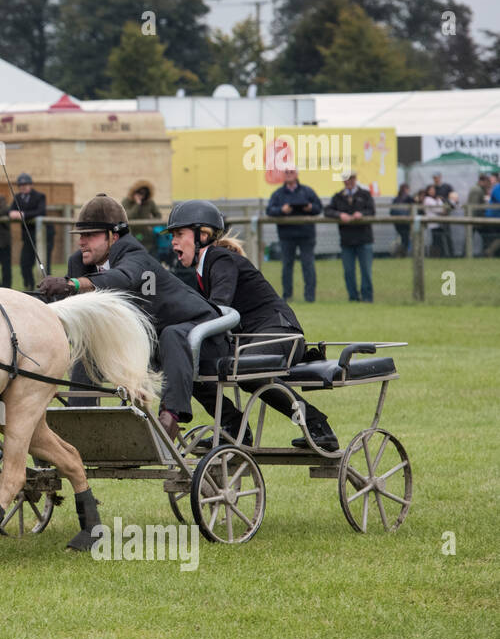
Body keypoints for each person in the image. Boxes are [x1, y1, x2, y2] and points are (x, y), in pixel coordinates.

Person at [39, 194, 228, 444]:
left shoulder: (136, 257)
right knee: (89, 347)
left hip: (201, 335)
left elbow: (122, 279)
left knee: (171, 334)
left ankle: (169, 418)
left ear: (113, 237)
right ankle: (80, 426)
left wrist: (72, 284)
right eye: (80, 236)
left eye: (90, 235)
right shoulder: (80, 263)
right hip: (149, 345)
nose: (82, 242)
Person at [167, 200, 339, 451]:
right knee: (188, 368)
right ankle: (233, 426)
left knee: (247, 372)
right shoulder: (204, 268)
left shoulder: (219, 258)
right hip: (251, 340)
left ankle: (316, 424)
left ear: (202, 235)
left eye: (179, 234)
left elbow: (219, 308)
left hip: (281, 333)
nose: (173, 242)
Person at [265, 166, 322, 302]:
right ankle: (287, 295)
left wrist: (310, 208)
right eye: (287, 173)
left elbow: (319, 207)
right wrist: (281, 210)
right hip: (287, 236)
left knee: (308, 265)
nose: (289, 175)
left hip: (306, 235)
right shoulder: (278, 194)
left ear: (297, 174)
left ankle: (310, 297)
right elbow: (269, 210)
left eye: (291, 172)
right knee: (286, 266)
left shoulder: (307, 191)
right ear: (284, 176)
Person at [324, 171, 376, 303]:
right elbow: (327, 211)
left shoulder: (365, 195)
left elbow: (372, 210)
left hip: (364, 239)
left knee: (366, 271)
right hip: (346, 240)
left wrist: (362, 214)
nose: (348, 182)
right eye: (346, 179)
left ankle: (367, 297)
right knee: (348, 272)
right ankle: (353, 297)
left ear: (355, 179)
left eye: (351, 179)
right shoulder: (338, 197)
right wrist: (339, 215)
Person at [8, 172, 54, 289]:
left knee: (43, 264)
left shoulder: (40, 196)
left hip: (43, 235)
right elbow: (10, 210)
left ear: (31, 185)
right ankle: (29, 286)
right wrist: (11, 213)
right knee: (25, 264)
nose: (23, 186)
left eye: (26, 184)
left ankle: (47, 288)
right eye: (21, 185)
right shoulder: (17, 198)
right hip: (28, 236)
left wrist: (23, 214)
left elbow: (41, 211)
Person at [122, 185, 161, 255]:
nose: (142, 196)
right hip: (132, 234)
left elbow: (158, 216)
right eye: (140, 193)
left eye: (144, 193)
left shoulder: (149, 202)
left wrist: (151, 225)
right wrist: (137, 204)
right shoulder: (126, 202)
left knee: (148, 254)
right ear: (134, 192)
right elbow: (128, 216)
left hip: (147, 236)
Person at [421, 184, 453, 258]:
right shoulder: (428, 199)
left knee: (439, 241)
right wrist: (442, 208)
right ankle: (435, 256)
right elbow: (439, 209)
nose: (433, 191)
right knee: (436, 241)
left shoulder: (435, 199)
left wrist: (440, 204)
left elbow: (442, 208)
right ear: (428, 191)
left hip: (438, 223)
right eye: (431, 190)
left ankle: (440, 255)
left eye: (433, 190)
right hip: (433, 223)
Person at [389, 183, 414, 257]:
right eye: (406, 189)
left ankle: (404, 253)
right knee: (405, 238)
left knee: (405, 238)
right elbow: (392, 211)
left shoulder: (399, 199)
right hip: (402, 223)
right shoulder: (401, 199)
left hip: (403, 223)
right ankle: (403, 253)